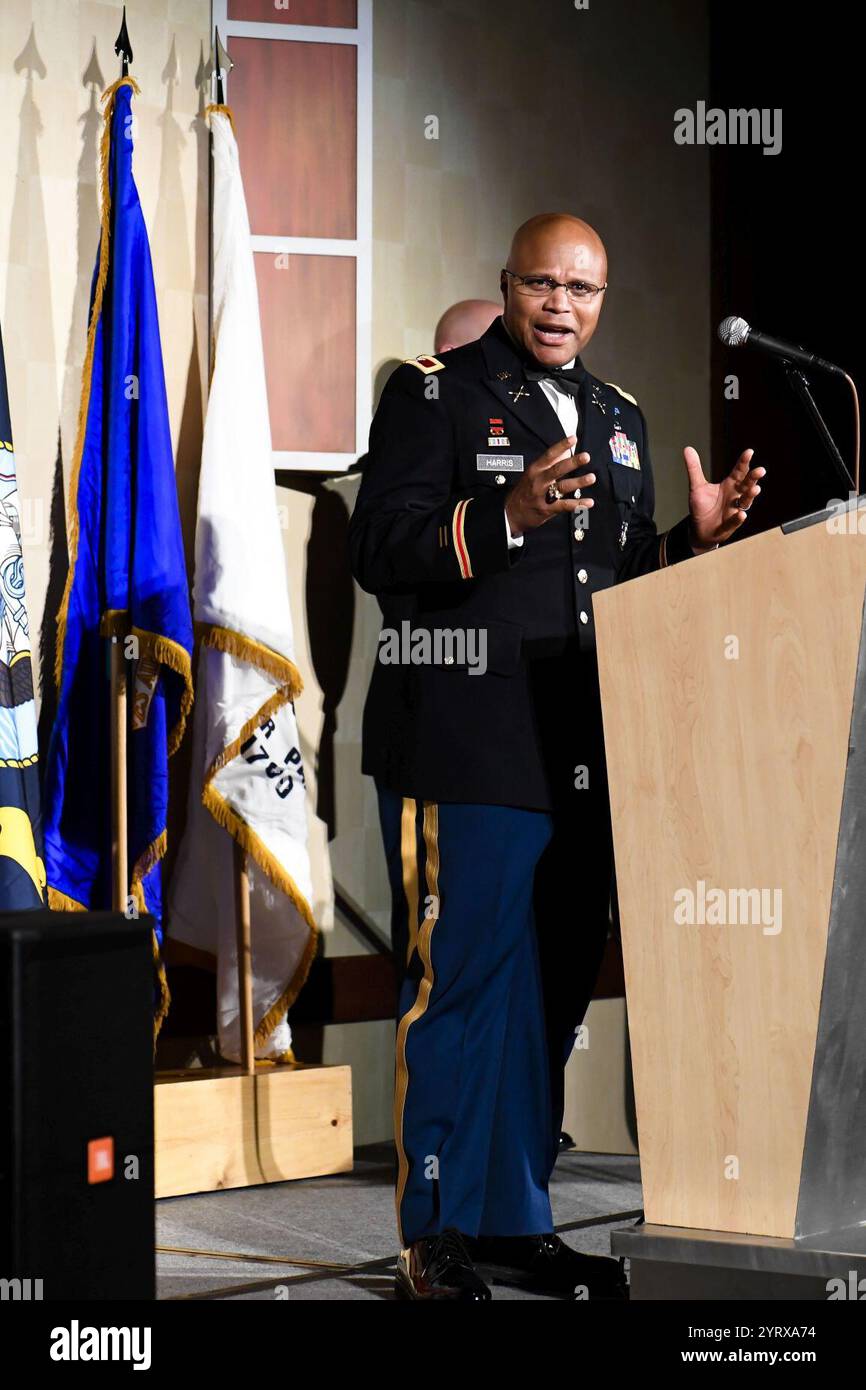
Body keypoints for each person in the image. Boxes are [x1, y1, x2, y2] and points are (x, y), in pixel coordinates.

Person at [349, 213, 765, 1301]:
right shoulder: (432, 392)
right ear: (508, 283)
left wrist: (688, 540)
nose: (559, 306)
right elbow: (379, 549)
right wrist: (501, 512)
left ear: (600, 300)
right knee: (459, 989)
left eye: (582, 290)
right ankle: (432, 1232)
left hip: (578, 751)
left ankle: (510, 1217)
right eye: (541, 283)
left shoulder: (618, 416)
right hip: (467, 742)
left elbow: (613, 586)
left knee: (544, 997)